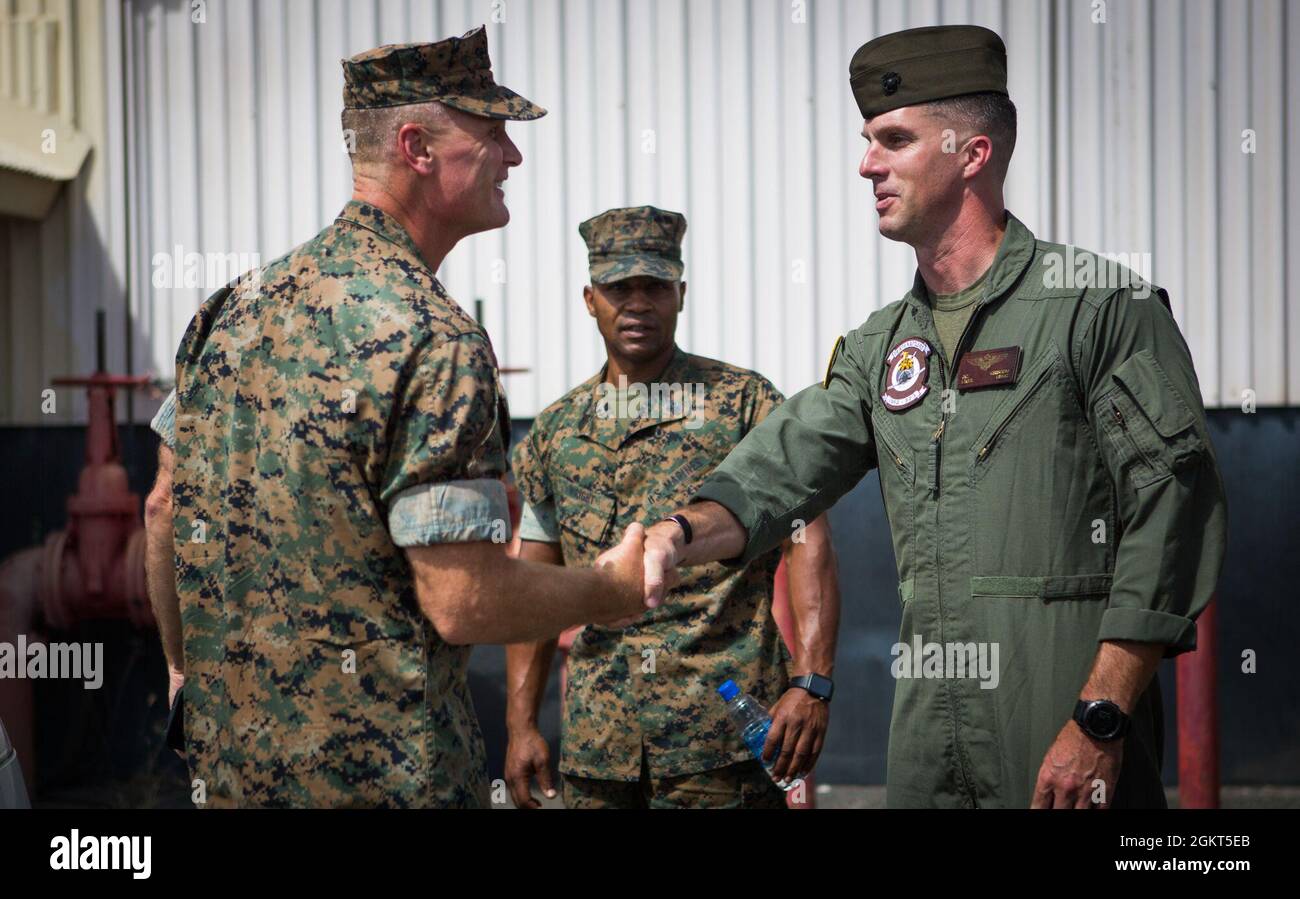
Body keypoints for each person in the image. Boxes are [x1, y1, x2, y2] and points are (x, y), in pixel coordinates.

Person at [627, 25, 1228, 809]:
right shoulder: (882, 346)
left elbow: (1170, 510)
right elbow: (785, 465)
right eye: (868, 140)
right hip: (926, 751)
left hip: (1059, 730)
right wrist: (677, 532)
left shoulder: (1100, 309)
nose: (865, 162)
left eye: (893, 140)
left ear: (971, 153)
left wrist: (1100, 717)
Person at [143, 26, 648, 809]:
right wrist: (610, 590)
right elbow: (463, 601)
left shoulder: (228, 311)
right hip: (383, 782)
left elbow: (164, 506)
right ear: (416, 146)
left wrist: (183, 670)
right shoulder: (436, 338)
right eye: (492, 132)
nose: (512, 156)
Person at [504, 206, 841, 809]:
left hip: (721, 746)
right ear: (589, 298)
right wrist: (521, 723)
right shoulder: (555, 432)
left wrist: (811, 682)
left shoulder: (745, 404)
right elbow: (532, 585)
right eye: (618, 288)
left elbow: (805, 538)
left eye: (654, 286)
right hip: (599, 747)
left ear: (680, 293)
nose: (637, 303)